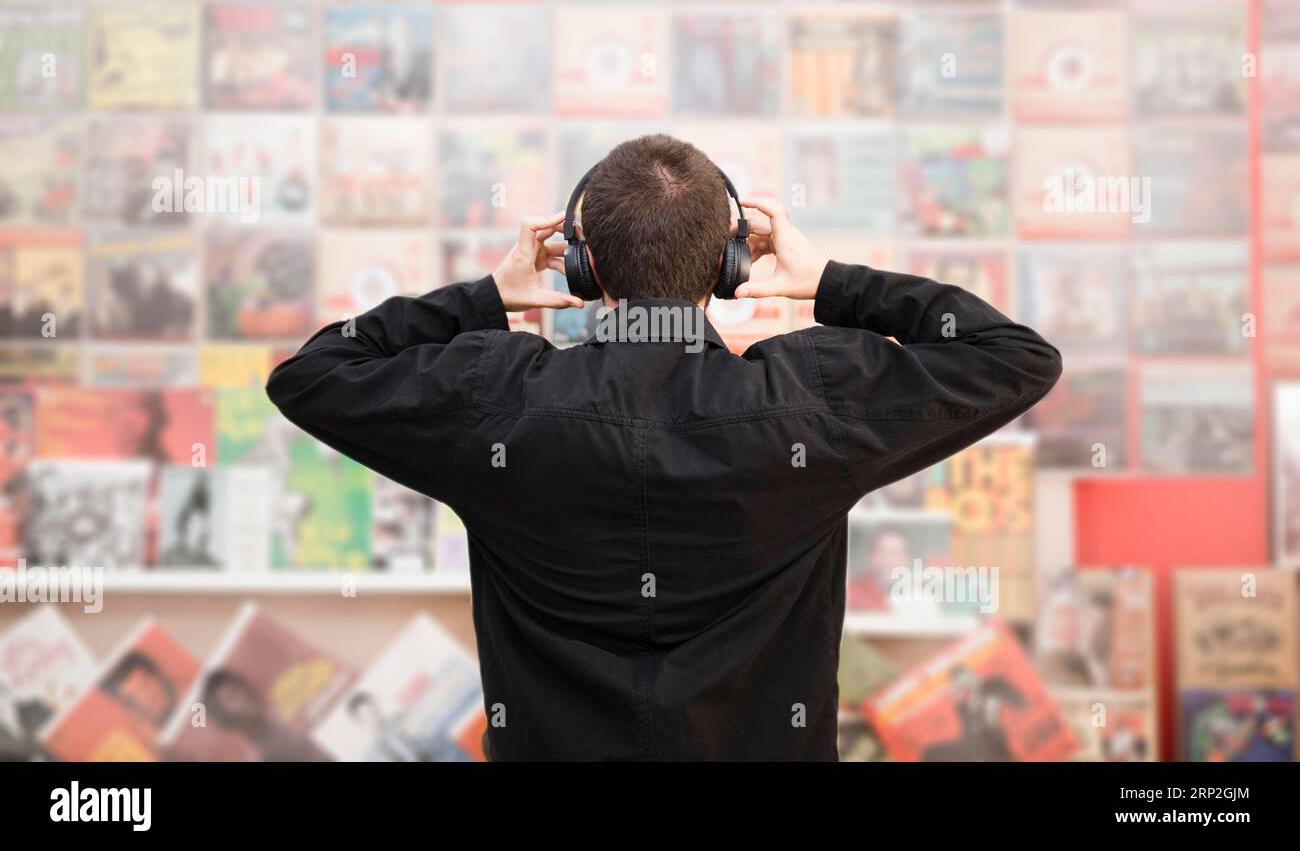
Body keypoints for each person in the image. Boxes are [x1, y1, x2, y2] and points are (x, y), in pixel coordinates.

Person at [266, 134, 1062, 760]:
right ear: (728, 263)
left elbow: (311, 374)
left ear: (584, 267)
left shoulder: (498, 399)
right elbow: (1015, 356)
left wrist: (483, 298)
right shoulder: (807, 407)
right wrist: (832, 282)